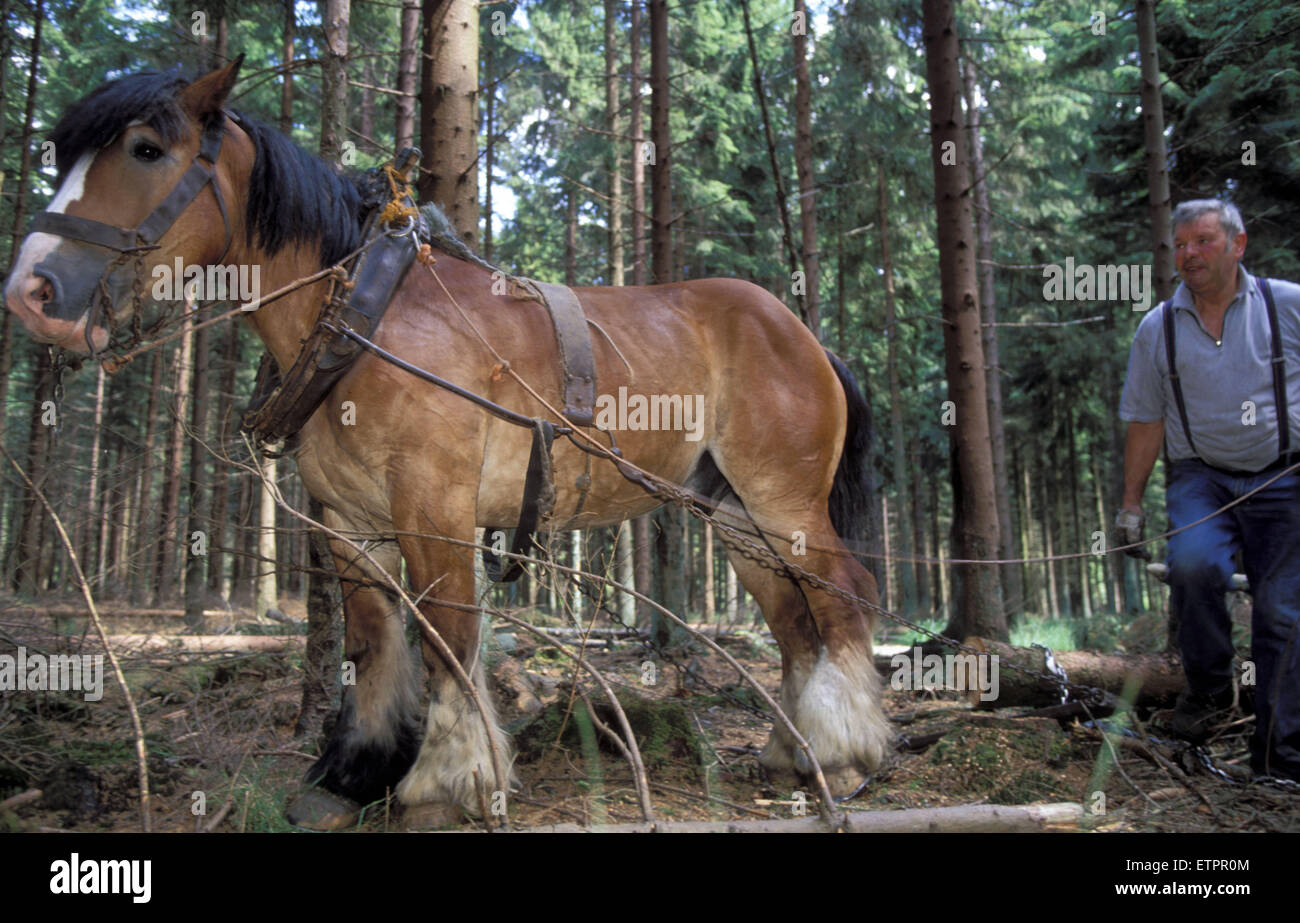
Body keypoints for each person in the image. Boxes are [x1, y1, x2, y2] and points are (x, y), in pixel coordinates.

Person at [1117, 198, 1300, 782]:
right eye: (1181, 245)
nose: (1189, 255)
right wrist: (1128, 508)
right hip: (1202, 476)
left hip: (1285, 476)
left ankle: (1277, 756)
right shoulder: (1158, 328)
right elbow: (1146, 420)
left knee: (1282, 615)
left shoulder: (1288, 305)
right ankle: (1210, 689)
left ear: (1238, 244)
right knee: (1193, 566)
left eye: (1203, 241)